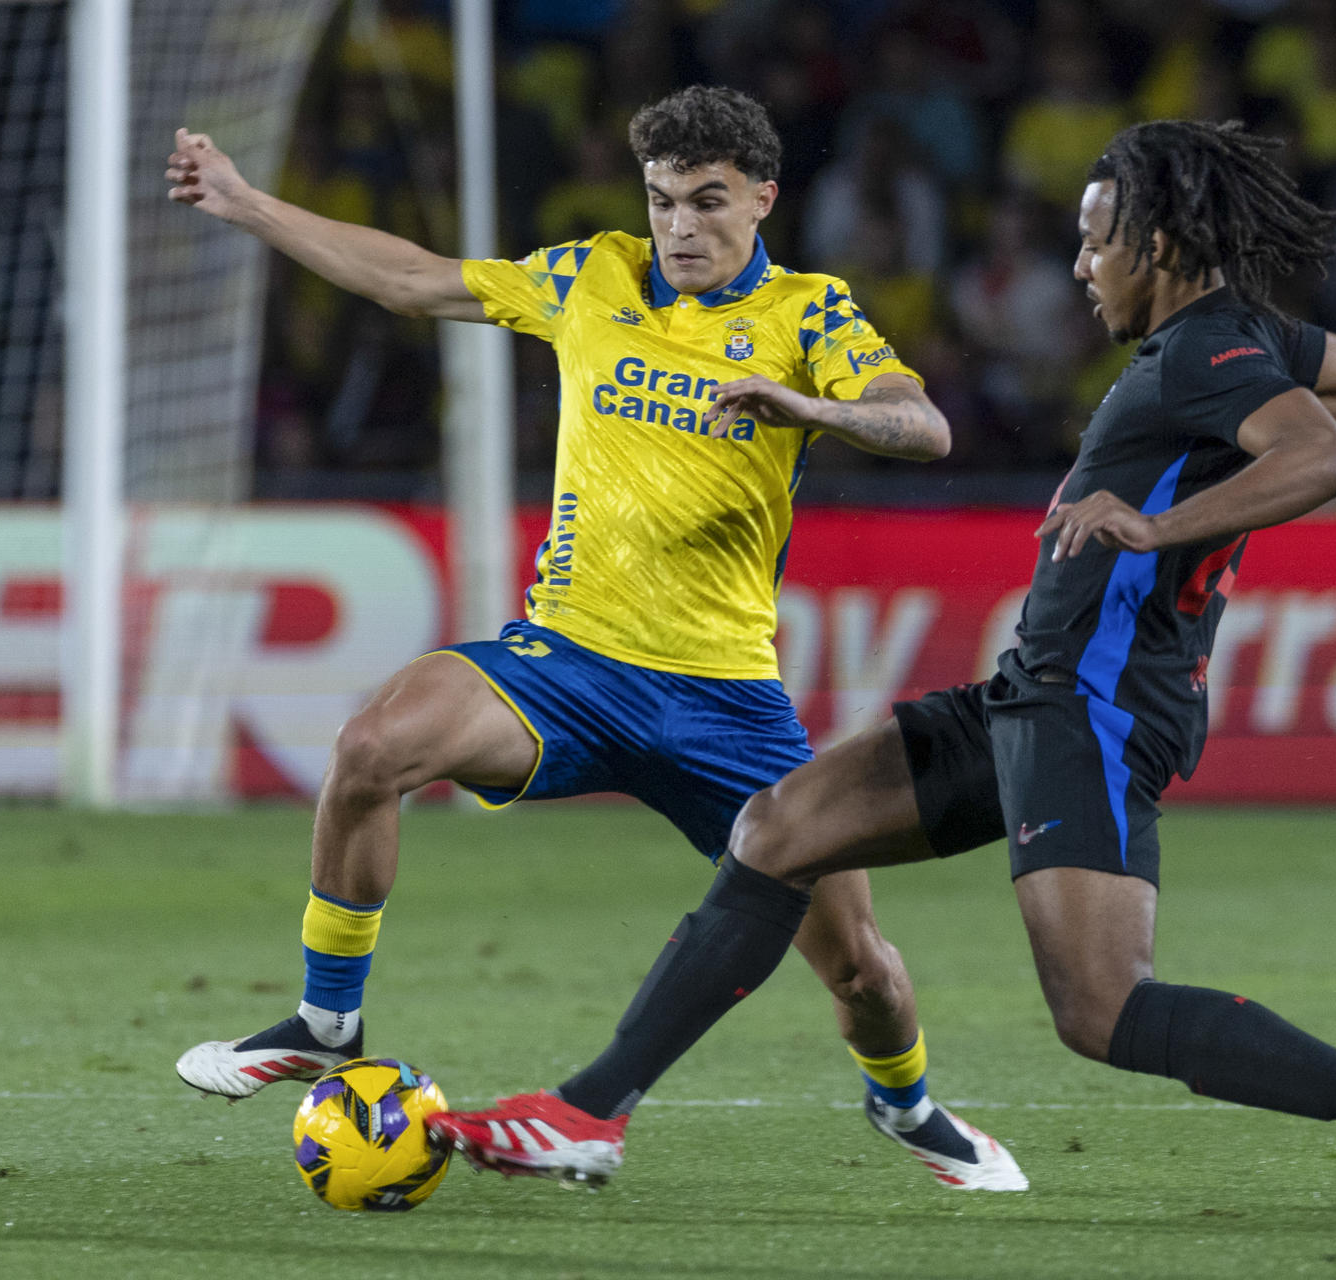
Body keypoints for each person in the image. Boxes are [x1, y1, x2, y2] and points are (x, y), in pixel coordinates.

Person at [426, 120, 1336, 1232]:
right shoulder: (1250, 335)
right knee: (776, 828)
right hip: (1031, 694)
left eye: (1096, 243)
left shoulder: (1208, 351)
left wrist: (1154, 524)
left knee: (1101, 1006)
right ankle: (588, 1111)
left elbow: (1323, 452)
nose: (1081, 267)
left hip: (1096, 706)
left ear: (1164, 243)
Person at [164, 85, 1025, 1193]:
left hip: (726, 698)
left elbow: (924, 422)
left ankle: (906, 1103)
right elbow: (416, 280)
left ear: (764, 196)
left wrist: (820, 411)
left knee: (858, 966)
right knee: (375, 744)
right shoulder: (592, 275)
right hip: (569, 664)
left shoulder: (811, 314)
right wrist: (245, 203)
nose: (680, 225)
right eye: (663, 198)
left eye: (708, 201)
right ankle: (328, 1019)